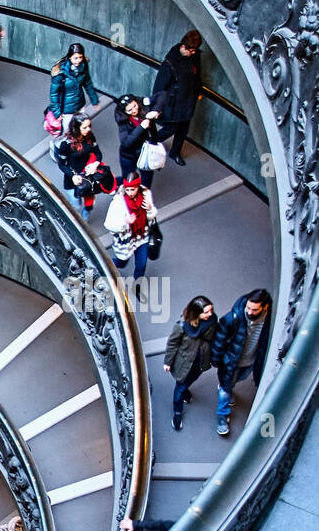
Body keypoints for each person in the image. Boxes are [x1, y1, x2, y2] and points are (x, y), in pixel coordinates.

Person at [210, 288, 272, 437]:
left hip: (251, 362)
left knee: (238, 379)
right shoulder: (233, 318)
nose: (249, 312)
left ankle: (228, 387)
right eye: (248, 307)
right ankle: (222, 416)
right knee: (225, 389)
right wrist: (216, 361)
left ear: (265, 307)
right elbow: (219, 340)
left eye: (254, 309)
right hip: (231, 362)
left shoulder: (269, 319)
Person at [164, 296, 218, 431]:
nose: (210, 314)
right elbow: (172, 344)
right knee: (180, 388)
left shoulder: (211, 321)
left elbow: (212, 338)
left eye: (210, 310)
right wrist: (168, 362)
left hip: (200, 361)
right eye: (206, 312)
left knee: (190, 381)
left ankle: (186, 393)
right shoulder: (182, 326)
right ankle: (177, 413)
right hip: (184, 363)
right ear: (196, 313)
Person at [152, 29, 203, 166]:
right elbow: (159, 87)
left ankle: (175, 152)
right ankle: (150, 141)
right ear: (183, 46)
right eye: (191, 50)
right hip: (174, 104)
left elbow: (197, 76)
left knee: (183, 130)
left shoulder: (194, 56)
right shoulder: (170, 63)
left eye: (194, 51)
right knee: (171, 128)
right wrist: (157, 107)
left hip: (188, 101)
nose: (193, 53)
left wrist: (198, 92)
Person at [104, 175, 159, 287]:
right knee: (121, 263)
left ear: (138, 187)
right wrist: (125, 221)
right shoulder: (118, 202)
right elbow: (108, 224)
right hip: (126, 239)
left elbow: (151, 216)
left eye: (132, 189)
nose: (129, 192)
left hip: (141, 236)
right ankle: (102, 264)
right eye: (127, 189)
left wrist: (150, 209)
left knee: (141, 264)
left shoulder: (145, 195)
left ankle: (137, 286)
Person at [53, 116, 108, 218]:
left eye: (89, 126)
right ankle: (78, 220)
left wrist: (95, 164)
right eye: (85, 127)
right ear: (76, 128)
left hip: (88, 177)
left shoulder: (89, 136)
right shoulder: (66, 144)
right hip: (72, 180)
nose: (89, 129)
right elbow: (61, 164)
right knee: (76, 206)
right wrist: (72, 176)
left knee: (89, 202)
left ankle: (85, 217)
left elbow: (98, 153)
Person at [47, 43, 100, 137]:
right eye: (76, 58)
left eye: (80, 57)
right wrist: (57, 112)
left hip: (79, 104)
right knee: (66, 132)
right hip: (66, 109)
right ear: (70, 57)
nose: (79, 60)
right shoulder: (60, 72)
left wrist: (94, 100)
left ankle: (77, 146)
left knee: (79, 128)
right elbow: (54, 94)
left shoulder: (83, 67)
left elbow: (88, 84)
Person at [115, 93, 162, 188]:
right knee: (128, 178)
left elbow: (162, 95)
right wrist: (141, 127)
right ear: (124, 112)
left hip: (145, 152)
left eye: (135, 106)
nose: (134, 110)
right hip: (129, 156)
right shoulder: (123, 122)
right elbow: (126, 142)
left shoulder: (143, 106)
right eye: (130, 110)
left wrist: (156, 111)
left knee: (147, 177)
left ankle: (144, 195)